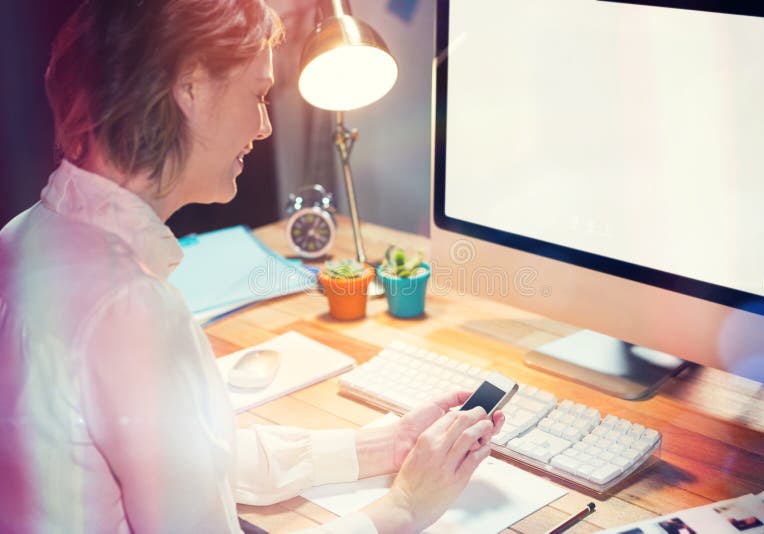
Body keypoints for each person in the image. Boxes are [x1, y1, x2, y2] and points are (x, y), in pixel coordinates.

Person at [0, 1, 504, 533]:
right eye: (258, 94)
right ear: (190, 89)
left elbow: (190, 457)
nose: (264, 127)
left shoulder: (23, 238)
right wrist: (405, 506)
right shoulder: (132, 311)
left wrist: (384, 444)